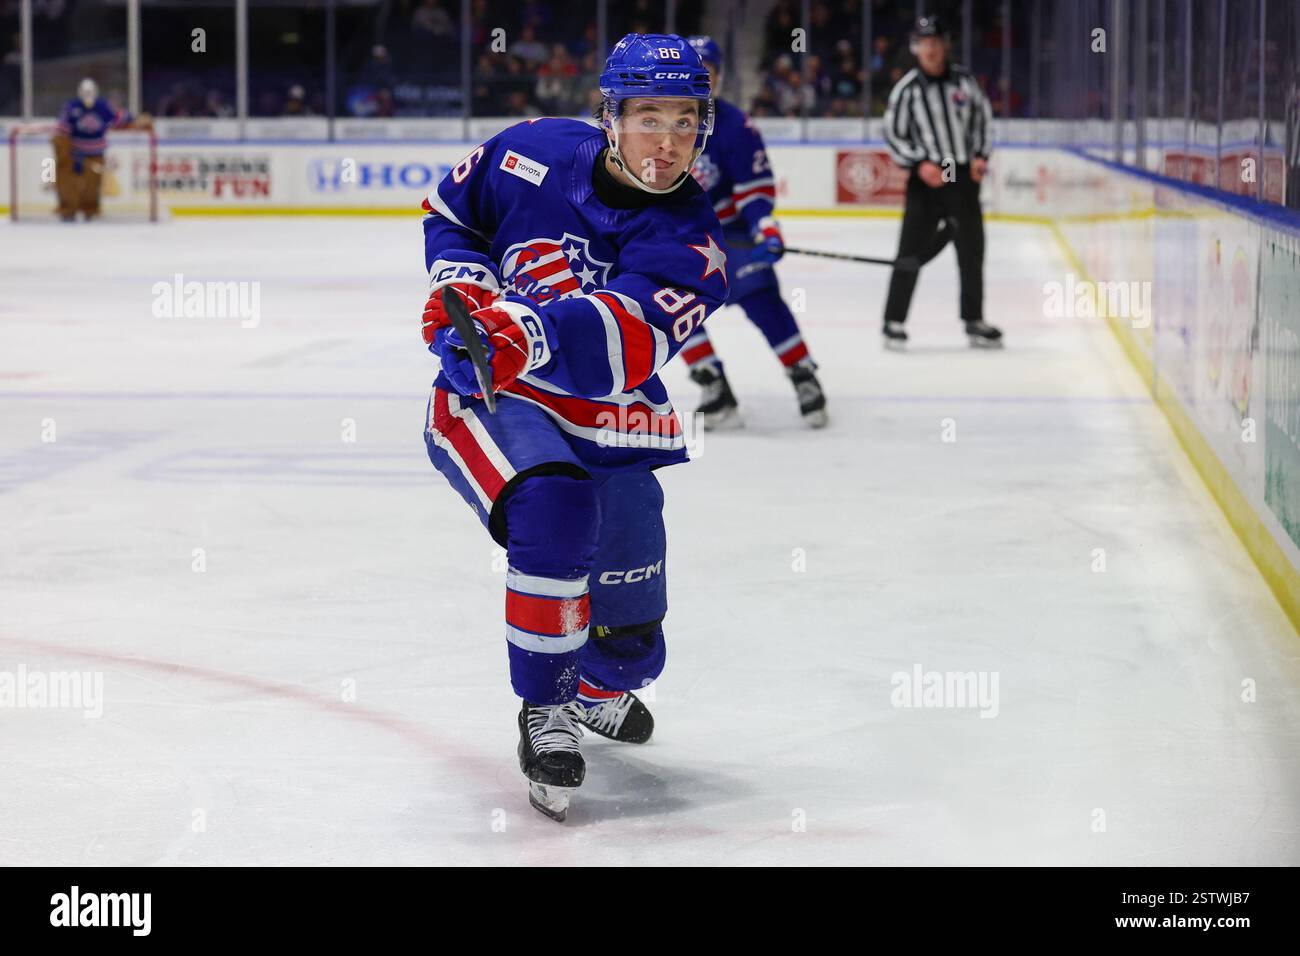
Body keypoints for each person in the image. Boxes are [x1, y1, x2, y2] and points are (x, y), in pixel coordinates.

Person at [418, 34, 728, 821]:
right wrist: (463, 289)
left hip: (605, 408)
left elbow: (622, 341)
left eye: (685, 120)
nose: (668, 141)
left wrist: (523, 327)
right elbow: (456, 215)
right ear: (610, 115)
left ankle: (593, 686)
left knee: (633, 646)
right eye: (648, 116)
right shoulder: (531, 152)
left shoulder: (691, 238)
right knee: (554, 509)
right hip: (496, 396)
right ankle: (547, 706)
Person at [679, 35, 828, 430]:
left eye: (708, 71)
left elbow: (753, 191)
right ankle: (713, 384)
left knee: (762, 298)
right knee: (669, 307)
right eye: (694, 71)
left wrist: (765, 227)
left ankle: (802, 375)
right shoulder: (663, 122)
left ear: (720, 75)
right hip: (682, 241)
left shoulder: (736, 127)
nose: (701, 78)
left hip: (732, 235)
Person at [881, 15, 1002, 349]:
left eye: (936, 42)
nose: (931, 50)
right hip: (928, 179)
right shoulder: (907, 89)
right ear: (915, 48)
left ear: (944, 45)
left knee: (971, 249)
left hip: (960, 176)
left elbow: (983, 119)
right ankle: (893, 320)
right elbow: (892, 133)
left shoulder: (965, 82)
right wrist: (919, 162)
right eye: (925, 44)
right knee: (910, 250)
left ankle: (973, 320)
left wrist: (981, 155)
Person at [51, 78, 149, 221]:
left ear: (95, 92)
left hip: (96, 154)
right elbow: (62, 130)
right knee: (68, 184)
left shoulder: (103, 107)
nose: (87, 94)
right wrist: (64, 147)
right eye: (85, 91)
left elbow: (120, 117)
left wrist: (136, 120)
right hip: (74, 154)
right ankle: (68, 210)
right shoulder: (71, 107)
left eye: (90, 91)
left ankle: (90, 210)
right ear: (79, 92)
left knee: (92, 185)